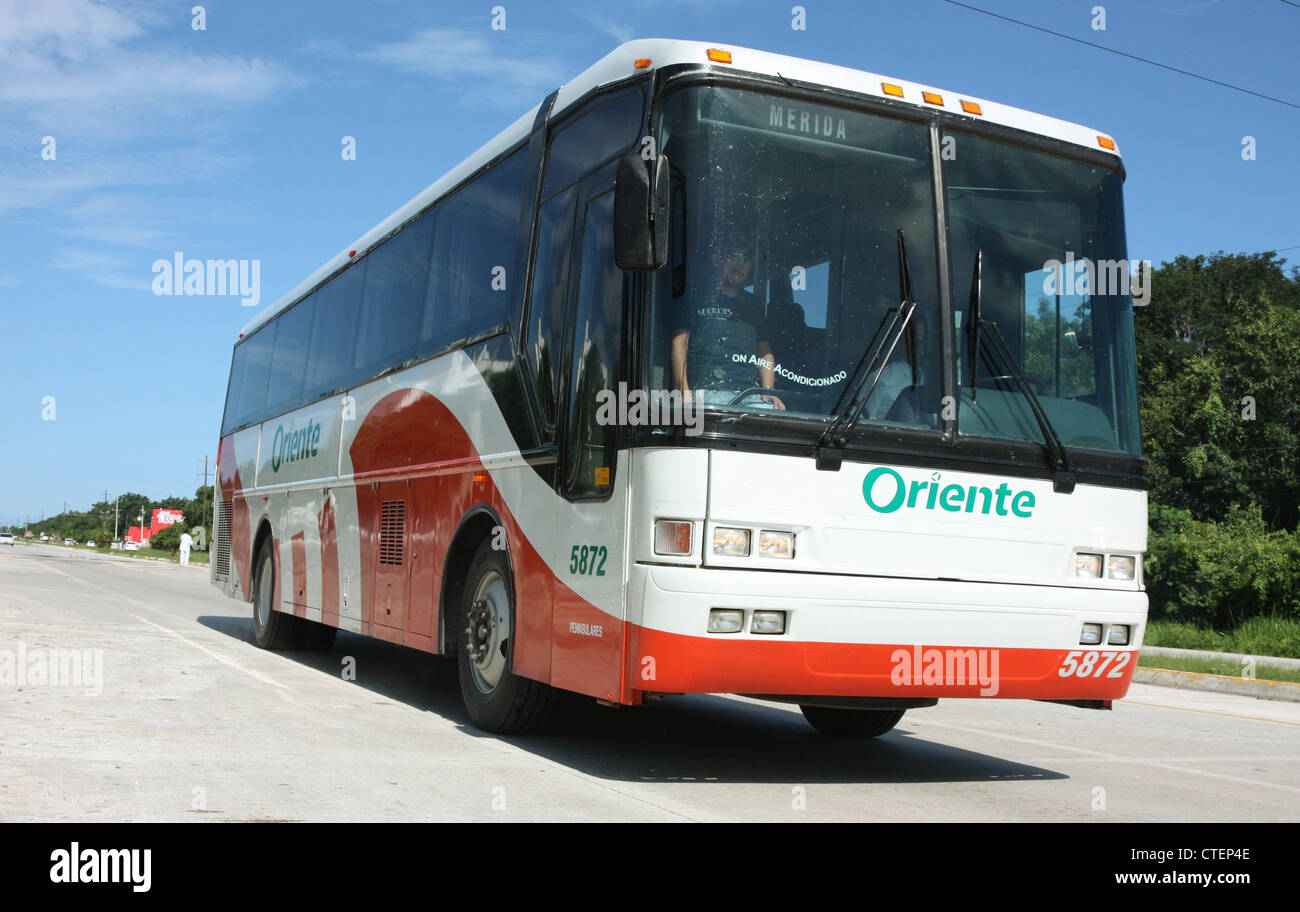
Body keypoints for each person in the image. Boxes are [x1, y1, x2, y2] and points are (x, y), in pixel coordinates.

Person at [671, 238, 785, 409]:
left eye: (746, 260)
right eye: (734, 256)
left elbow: (764, 352)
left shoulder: (753, 305)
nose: (740, 264)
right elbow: (679, 343)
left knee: (776, 419)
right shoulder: (697, 297)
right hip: (706, 390)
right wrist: (683, 391)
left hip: (750, 393)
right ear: (719, 260)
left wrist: (769, 391)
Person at [865, 310, 928, 421]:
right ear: (902, 341)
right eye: (917, 338)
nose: (921, 343)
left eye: (924, 338)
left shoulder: (929, 377)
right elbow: (865, 423)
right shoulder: (881, 377)